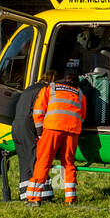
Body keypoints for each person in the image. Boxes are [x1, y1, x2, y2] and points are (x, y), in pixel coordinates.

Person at [27, 71, 86, 205]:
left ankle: (34, 199)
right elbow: (82, 116)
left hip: (52, 128)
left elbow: (38, 111)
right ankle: (71, 199)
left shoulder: (50, 88)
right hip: (72, 130)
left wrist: (40, 131)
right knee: (68, 163)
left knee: (44, 161)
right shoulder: (80, 93)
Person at [11, 70, 55, 202]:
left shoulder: (29, 89)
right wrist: (40, 133)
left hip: (16, 126)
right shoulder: (44, 90)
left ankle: (25, 195)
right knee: (37, 160)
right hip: (28, 126)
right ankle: (44, 195)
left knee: (24, 161)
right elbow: (40, 111)